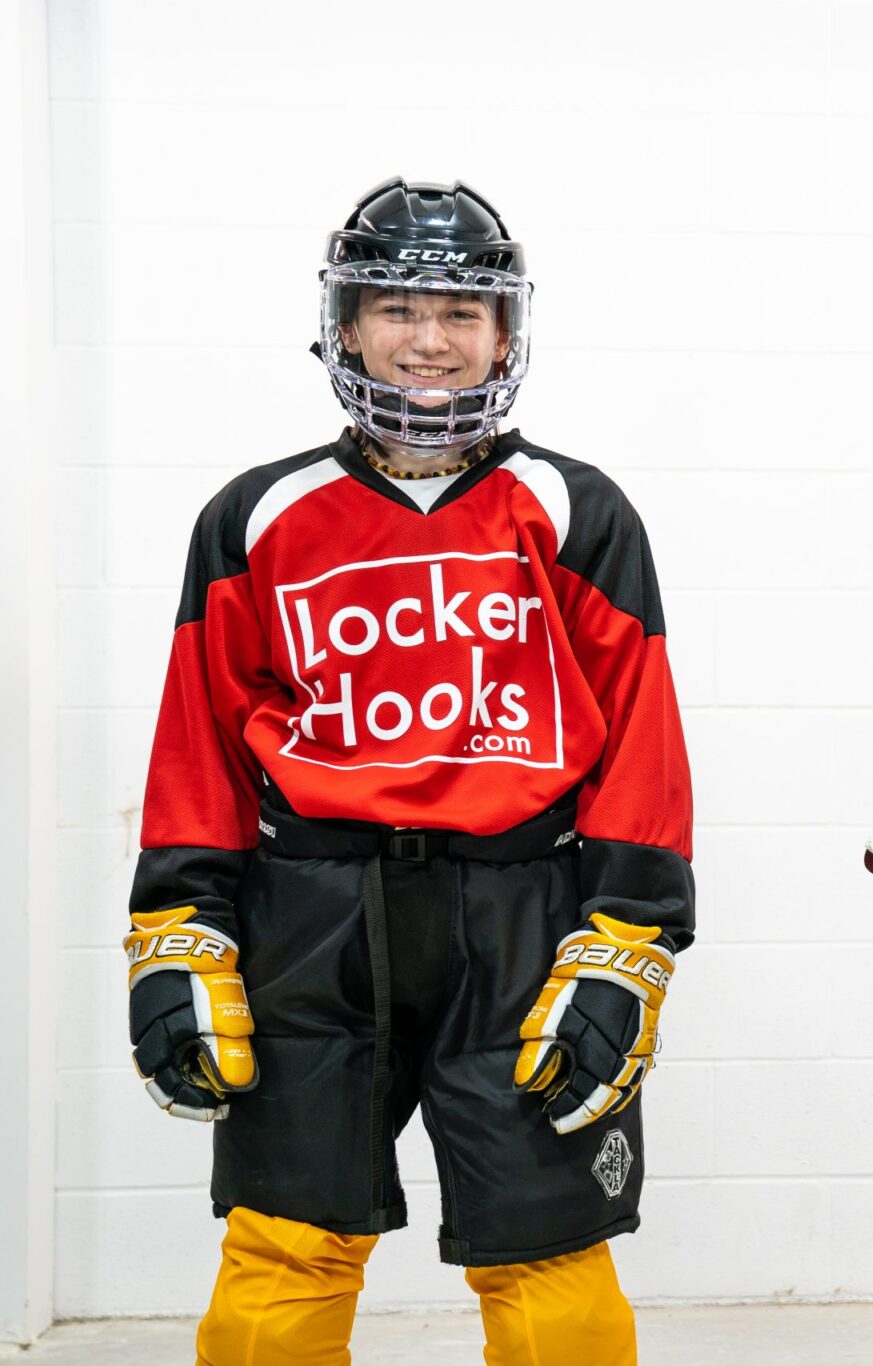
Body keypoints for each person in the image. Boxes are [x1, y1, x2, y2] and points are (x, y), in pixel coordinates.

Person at [123, 177, 693, 1365]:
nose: (427, 340)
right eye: (396, 307)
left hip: (522, 915)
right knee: (285, 1239)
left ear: (505, 334)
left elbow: (640, 734)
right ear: (344, 324)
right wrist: (180, 923)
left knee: (543, 1245)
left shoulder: (575, 511)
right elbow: (202, 737)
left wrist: (629, 936)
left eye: (459, 311)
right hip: (312, 922)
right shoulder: (254, 516)